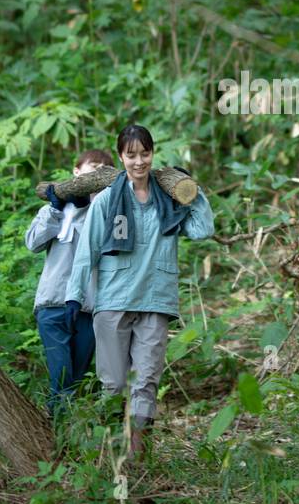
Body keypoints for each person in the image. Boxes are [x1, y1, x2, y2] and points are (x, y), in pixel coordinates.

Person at [65, 124, 214, 459]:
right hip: (113, 300)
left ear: (152, 153)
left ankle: (137, 461)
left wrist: (193, 191)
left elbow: (203, 230)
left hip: (155, 300)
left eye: (144, 153)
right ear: (121, 157)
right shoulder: (106, 200)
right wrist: (74, 295)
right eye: (131, 155)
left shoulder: (169, 200)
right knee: (115, 385)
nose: (138, 161)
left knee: (145, 382)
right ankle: (111, 452)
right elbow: (87, 250)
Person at [25, 148, 115, 416]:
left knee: (73, 381)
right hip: (52, 304)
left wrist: (84, 208)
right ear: (77, 172)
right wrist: (55, 209)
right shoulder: (51, 209)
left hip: (88, 308)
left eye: (104, 169)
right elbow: (33, 243)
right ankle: (55, 437)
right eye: (92, 166)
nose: (97, 171)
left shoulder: (105, 213)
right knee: (61, 376)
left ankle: (61, 436)